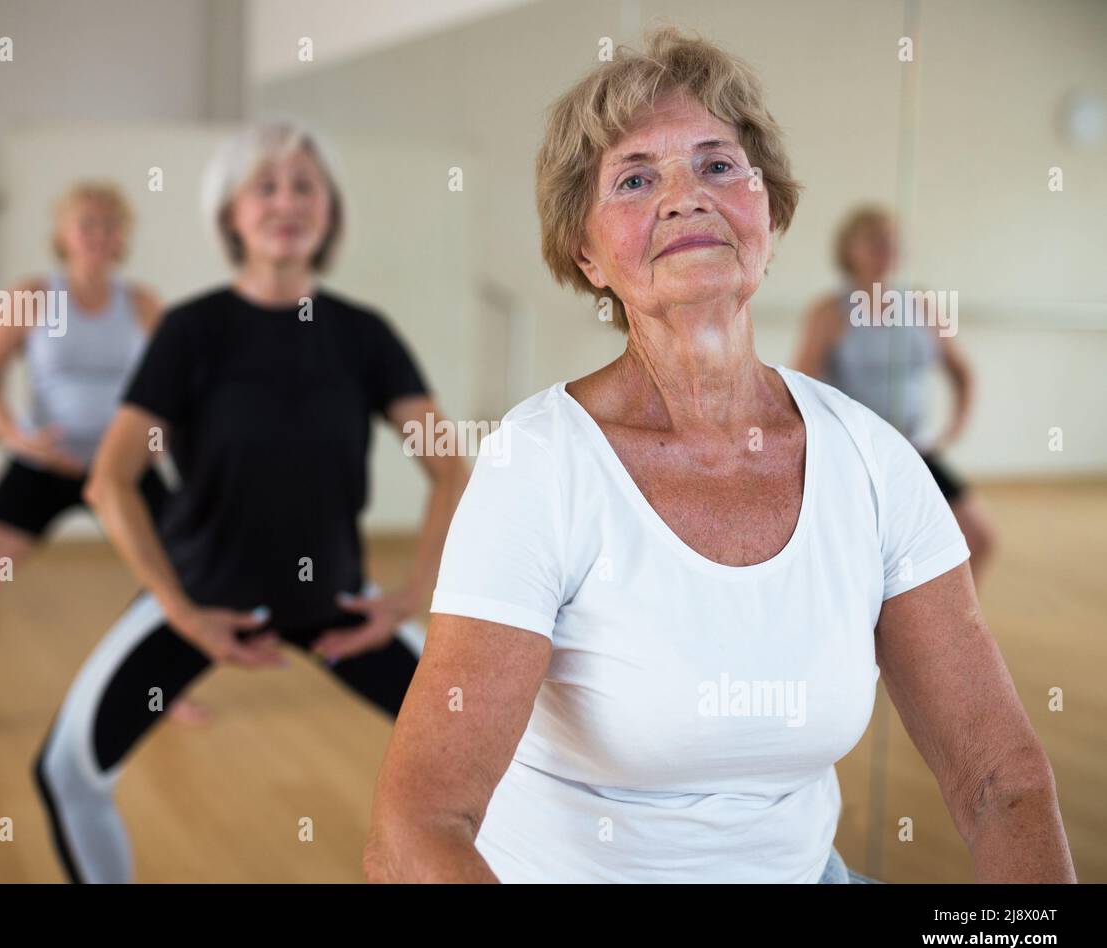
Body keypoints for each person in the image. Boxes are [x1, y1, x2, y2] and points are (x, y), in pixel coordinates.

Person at [364, 26, 1075, 883]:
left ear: (768, 213)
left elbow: (1002, 780)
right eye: (634, 178)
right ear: (586, 253)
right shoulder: (540, 466)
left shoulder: (876, 461)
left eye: (717, 164)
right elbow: (417, 829)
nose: (684, 196)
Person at [33, 121, 469, 883]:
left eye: (305, 186)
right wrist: (179, 611)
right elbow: (112, 479)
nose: (286, 201)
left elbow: (450, 469)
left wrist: (411, 597)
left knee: (491, 760)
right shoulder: (191, 330)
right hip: (204, 597)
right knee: (66, 770)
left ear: (329, 213)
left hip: (336, 602)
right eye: (264, 186)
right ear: (231, 214)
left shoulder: (362, 334)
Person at [0, 182, 198, 737]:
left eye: (111, 225)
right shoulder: (34, 297)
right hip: (45, 466)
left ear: (123, 241)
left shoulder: (141, 304)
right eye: (87, 223)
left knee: (177, 573)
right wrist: (16, 436)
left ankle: (162, 692)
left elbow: (179, 388)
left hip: (122, 469)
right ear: (63, 235)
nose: (99, 234)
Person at [792, 204, 997, 585]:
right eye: (875, 240)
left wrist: (953, 431)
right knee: (866, 556)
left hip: (915, 450)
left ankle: (949, 632)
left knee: (979, 536)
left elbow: (962, 371)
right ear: (849, 249)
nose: (886, 248)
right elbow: (800, 388)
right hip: (855, 456)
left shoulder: (923, 304)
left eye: (893, 241)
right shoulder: (829, 312)